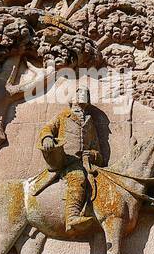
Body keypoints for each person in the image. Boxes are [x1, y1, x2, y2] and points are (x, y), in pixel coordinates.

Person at [33, 90, 102, 232]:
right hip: (68, 161)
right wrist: (47, 138)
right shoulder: (64, 116)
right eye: (79, 92)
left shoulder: (90, 122)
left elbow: (98, 151)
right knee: (78, 178)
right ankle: (72, 217)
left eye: (86, 93)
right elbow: (47, 128)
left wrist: (93, 155)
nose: (83, 94)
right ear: (72, 99)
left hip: (88, 164)